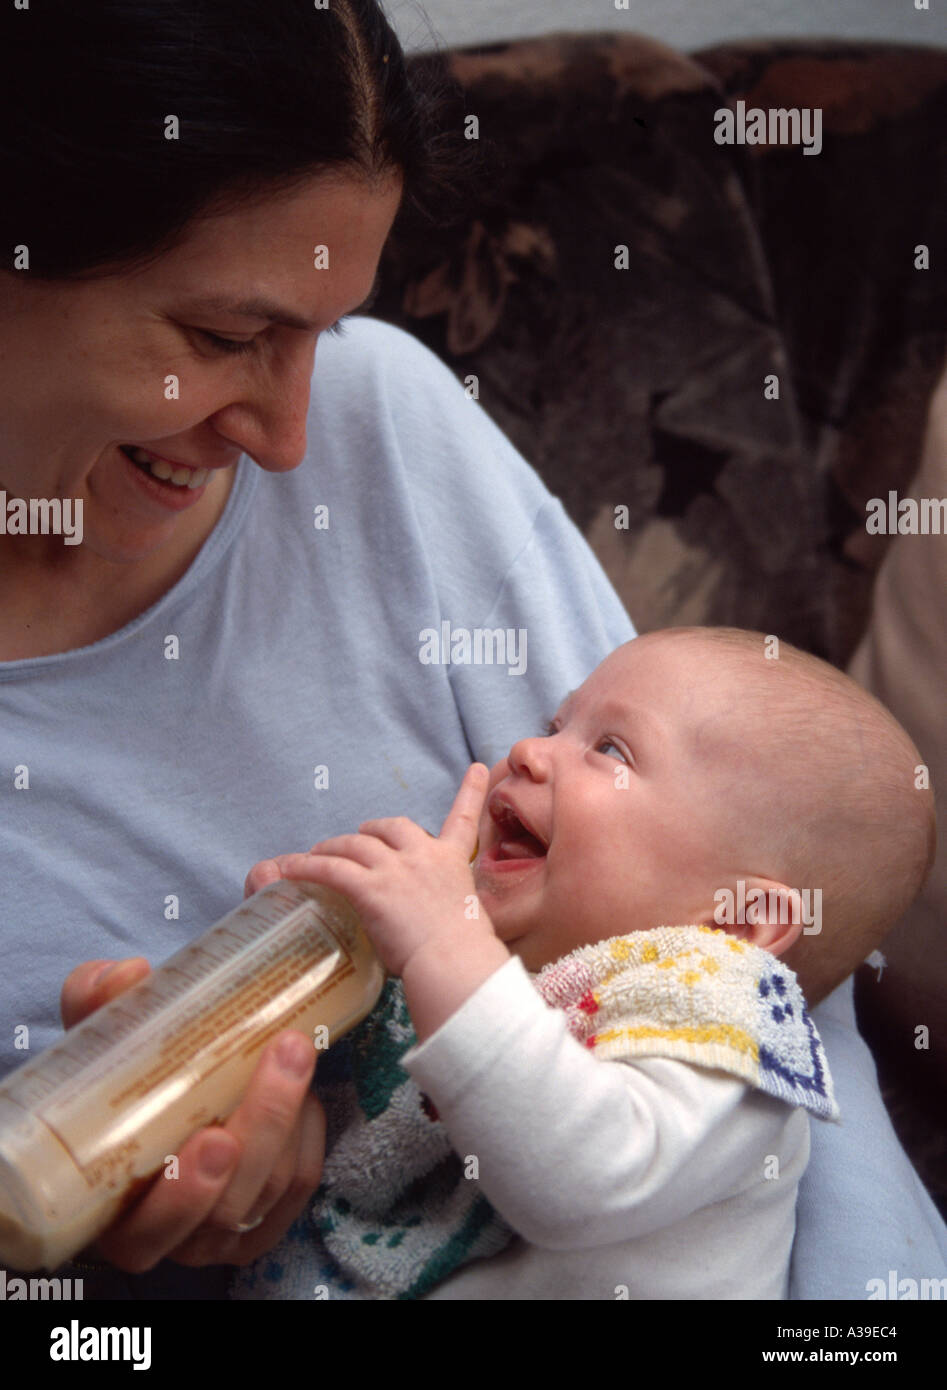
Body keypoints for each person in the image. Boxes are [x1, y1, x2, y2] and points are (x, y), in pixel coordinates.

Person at [0, 0, 944, 1301]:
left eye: (319, 332)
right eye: (225, 337)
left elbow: (756, 926)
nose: (291, 439)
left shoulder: (381, 425)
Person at [227, 627, 932, 1299]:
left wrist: (443, 940)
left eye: (612, 750)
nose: (530, 749)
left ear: (736, 921)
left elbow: (580, 1175)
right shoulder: (516, 964)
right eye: (554, 722)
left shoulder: (721, 1031)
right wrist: (319, 954)